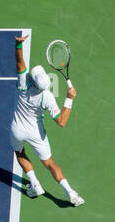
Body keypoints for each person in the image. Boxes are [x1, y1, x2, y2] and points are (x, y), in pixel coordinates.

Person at [12, 35, 84, 206]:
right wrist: (69, 99)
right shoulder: (48, 97)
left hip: (17, 130)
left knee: (19, 153)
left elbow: (20, 63)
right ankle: (71, 193)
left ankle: (34, 184)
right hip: (36, 133)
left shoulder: (23, 84)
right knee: (50, 163)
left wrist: (18, 45)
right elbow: (61, 121)